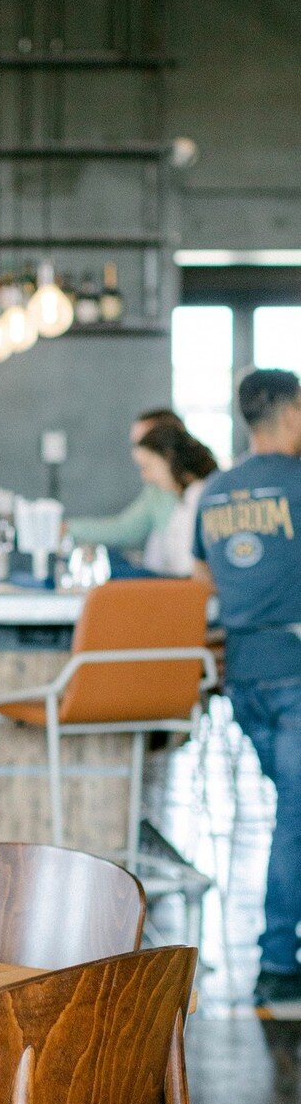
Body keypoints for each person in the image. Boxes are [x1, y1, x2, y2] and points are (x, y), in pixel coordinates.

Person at [193, 368, 301, 1004]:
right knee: (294, 814)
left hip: (244, 674)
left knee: (292, 807)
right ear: (289, 415)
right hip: (293, 668)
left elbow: (203, 574)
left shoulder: (216, 490)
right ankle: (278, 959)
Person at [67, 407, 187, 554]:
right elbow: (124, 528)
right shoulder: (156, 490)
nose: (138, 453)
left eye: (144, 442)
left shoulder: (197, 492)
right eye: (135, 444)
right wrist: (67, 529)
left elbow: (126, 531)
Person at [131, 423, 218, 576]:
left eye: (148, 466)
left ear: (169, 458)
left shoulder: (197, 495)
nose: (145, 477)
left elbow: (188, 569)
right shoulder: (182, 498)